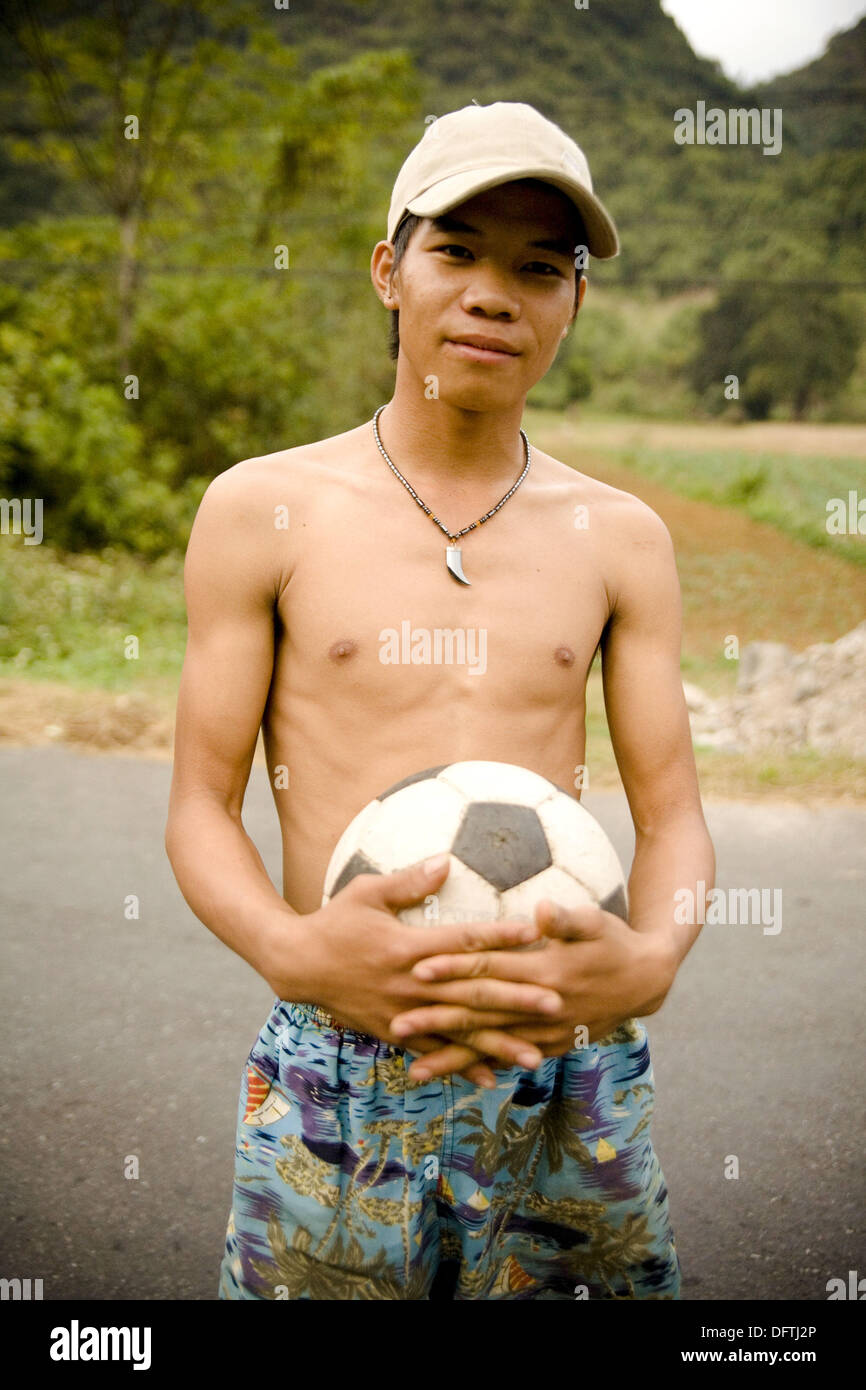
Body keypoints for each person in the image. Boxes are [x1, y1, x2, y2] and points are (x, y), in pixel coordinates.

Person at [165, 100, 715, 1300]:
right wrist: (296, 950)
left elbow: (672, 816)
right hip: (339, 1053)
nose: (490, 294)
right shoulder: (263, 508)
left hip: (567, 1065)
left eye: (537, 267)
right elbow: (198, 805)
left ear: (575, 301)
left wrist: (653, 957)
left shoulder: (619, 539)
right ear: (388, 270)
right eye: (455, 251)